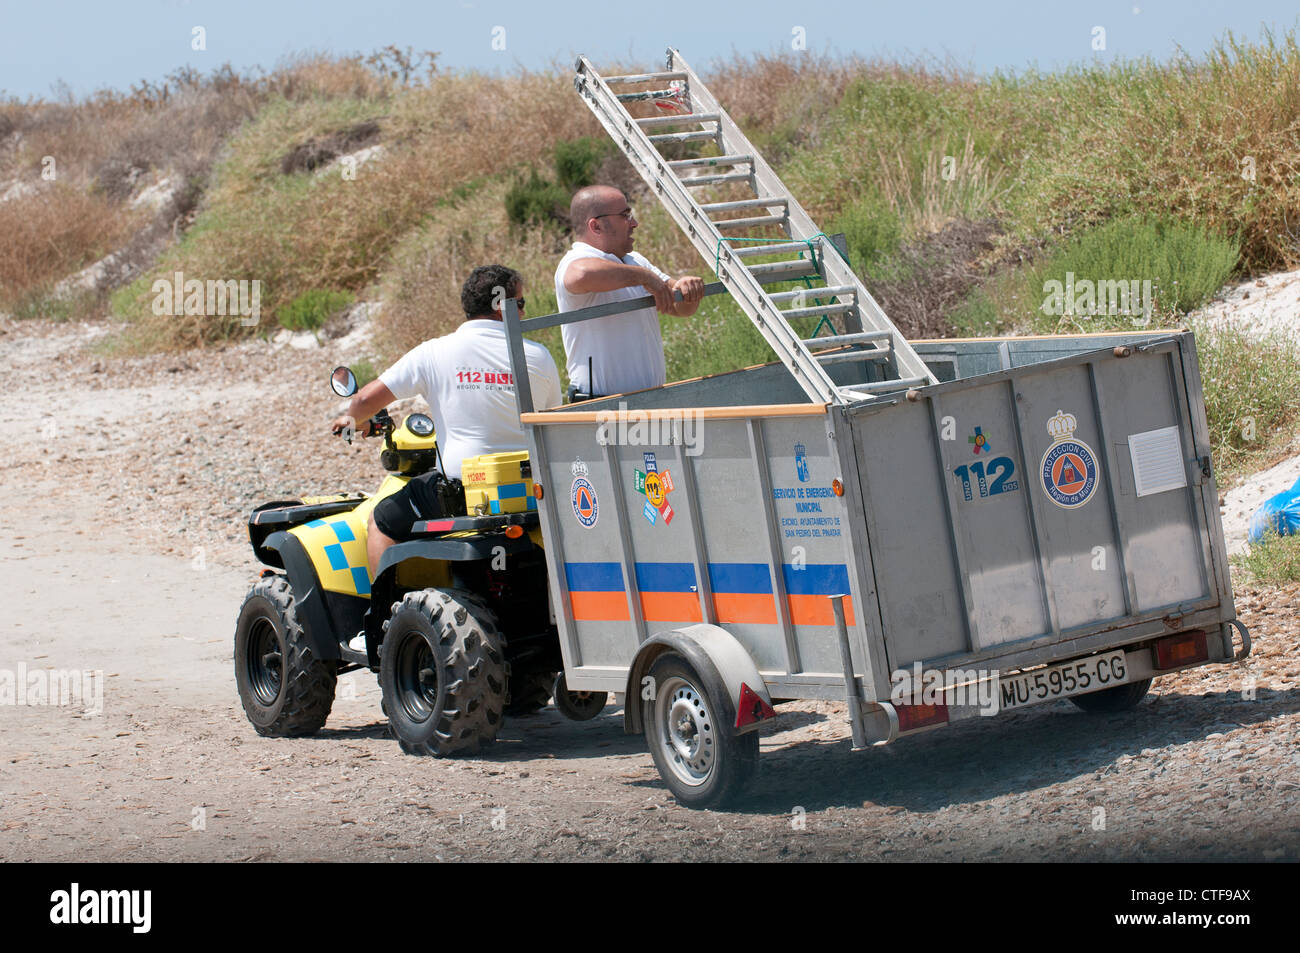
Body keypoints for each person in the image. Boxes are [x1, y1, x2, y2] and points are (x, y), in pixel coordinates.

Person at [331, 264, 561, 590]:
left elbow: (365, 398)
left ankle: (385, 620)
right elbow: (553, 423)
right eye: (520, 304)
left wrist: (355, 420)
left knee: (382, 519)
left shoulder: (435, 352)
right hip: (530, 493)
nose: (523, 313)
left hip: (464, 494)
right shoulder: (539, 356)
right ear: (502, 307)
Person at [555, 185, 705, 399]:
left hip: (650, 401)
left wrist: (689, 290)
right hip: (601, 407)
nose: (634, 223)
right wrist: (644, 277)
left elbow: (679, 308)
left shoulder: (635, 262)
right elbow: (581, 274)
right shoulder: (574, 261)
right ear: (596, 226)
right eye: (625, 216)